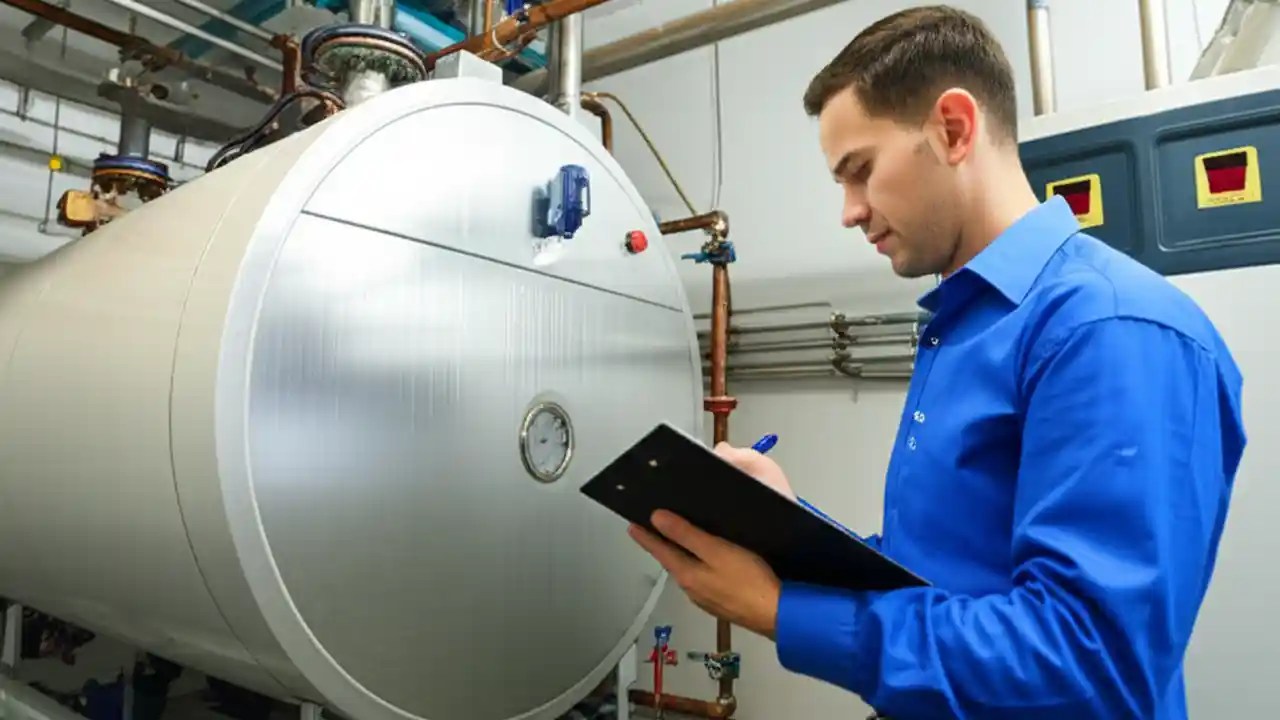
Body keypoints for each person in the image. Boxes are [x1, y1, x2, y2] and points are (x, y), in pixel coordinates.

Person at [626, 5, 1247, 719]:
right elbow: (943, 580)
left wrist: (780, 611)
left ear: (953, 129)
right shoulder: (965, 322)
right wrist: (785, 526)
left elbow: (1087, 661)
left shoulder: (1109, 330)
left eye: (860, 171)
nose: (849, 211)